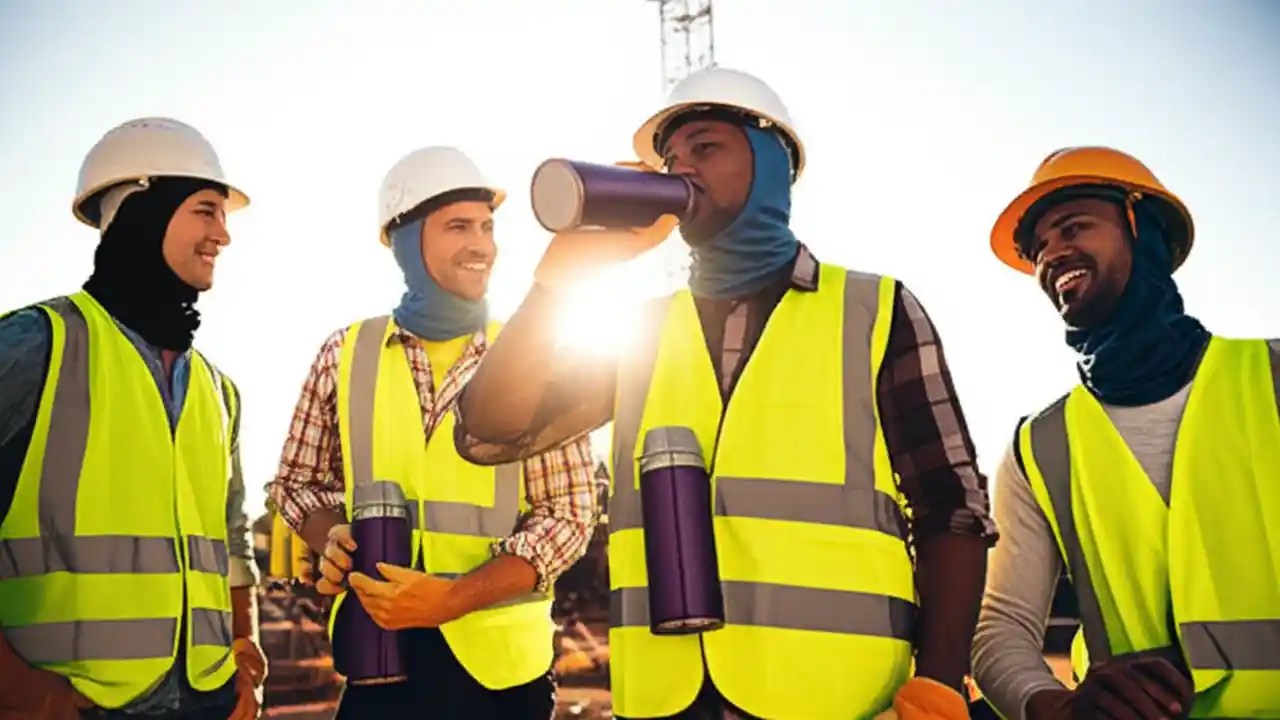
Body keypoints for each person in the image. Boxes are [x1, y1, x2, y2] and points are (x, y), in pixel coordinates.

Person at [453, 66, 997, 720]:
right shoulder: (642, 331)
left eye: (705, 148)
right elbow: (488, 432)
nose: (681, 171)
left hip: (841, 701)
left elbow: (952, 505)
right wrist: (555, 284)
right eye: (669, 160)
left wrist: (940, 678)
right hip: (664, 700)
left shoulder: (875, 310)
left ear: (772, 164)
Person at [265, 146, 597, 719]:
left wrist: (453, 599)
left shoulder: (534, 358)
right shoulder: (344, 354)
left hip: (502, 681)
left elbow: (568, 512)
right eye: (458, 227)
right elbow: (296, 481)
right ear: (406, 239)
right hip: (377, 664)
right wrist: (330, 535)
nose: (482, 245)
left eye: (488, 227)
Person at [971, 146, 1280, 719]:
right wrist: (1051, 706)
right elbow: (1001, 627)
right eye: (1038, 248)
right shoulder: (1039, 448)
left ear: (1145, 231)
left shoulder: (1274, 377)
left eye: (1073, 227)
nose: (1052, 255)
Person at [0, 117, 266, 719]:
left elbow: (229, 541)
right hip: (72, 705)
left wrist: (244, 654)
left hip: (205, 701)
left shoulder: (219, 390)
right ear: (144, 210)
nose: (223, 235)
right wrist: (17, 690)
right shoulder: (33, 348)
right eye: (206, 210)